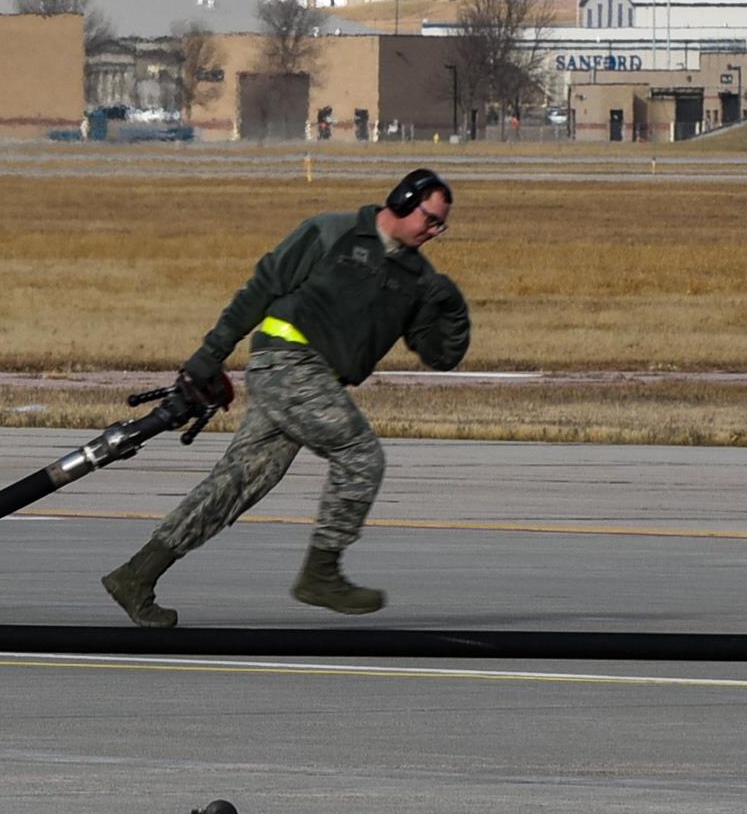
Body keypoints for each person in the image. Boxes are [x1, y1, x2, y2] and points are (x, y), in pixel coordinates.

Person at [102, 168, 474, 626]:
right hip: (285, 361)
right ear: (401, 200)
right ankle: (321, 573)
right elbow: (263, 287)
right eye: (429, 219)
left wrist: (452, 309)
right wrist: (210, 354)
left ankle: (136, 576)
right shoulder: (333, 232)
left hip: (315, 382)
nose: (434, 231)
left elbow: (440, 355)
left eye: (441, 226)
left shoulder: (418, 277)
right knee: (361, 456)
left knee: (238, 483)